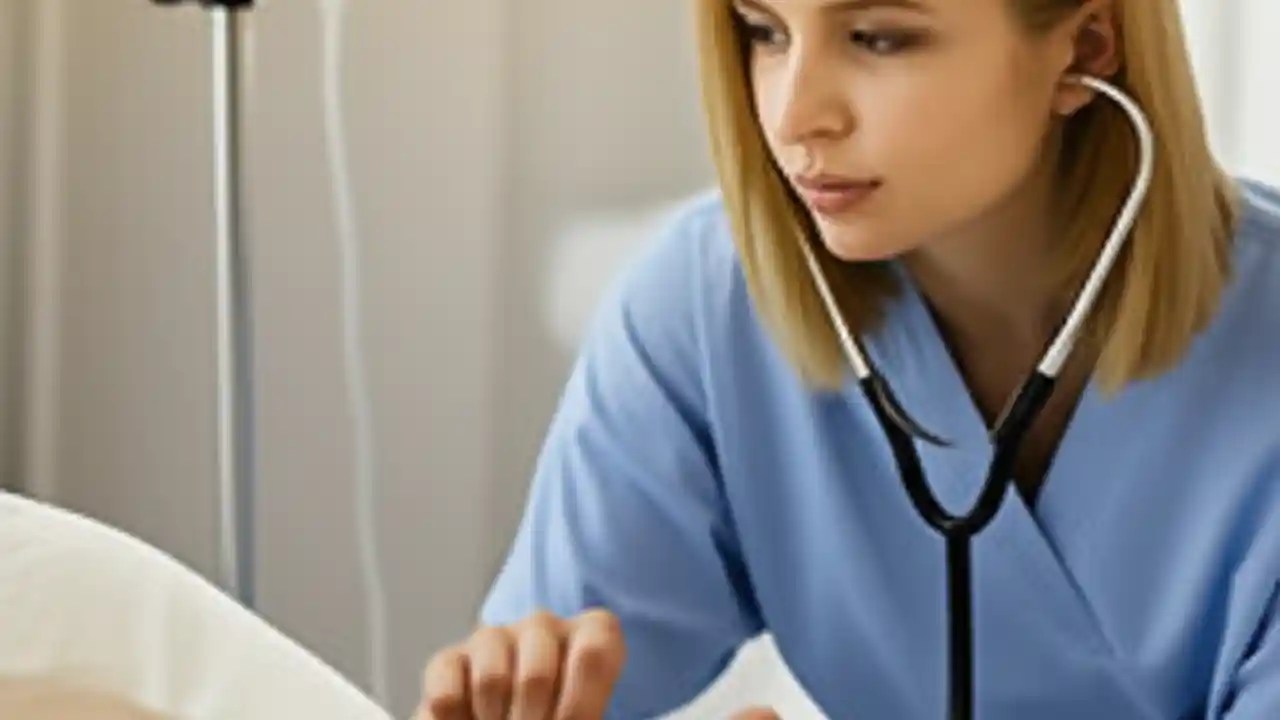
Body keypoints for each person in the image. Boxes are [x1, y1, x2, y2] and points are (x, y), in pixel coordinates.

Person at [420, 0, 1280, 717]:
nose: (796, 116)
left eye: (878, 37)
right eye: (764, 30)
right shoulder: (705, 307)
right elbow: (562, 673)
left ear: (1085, 45)